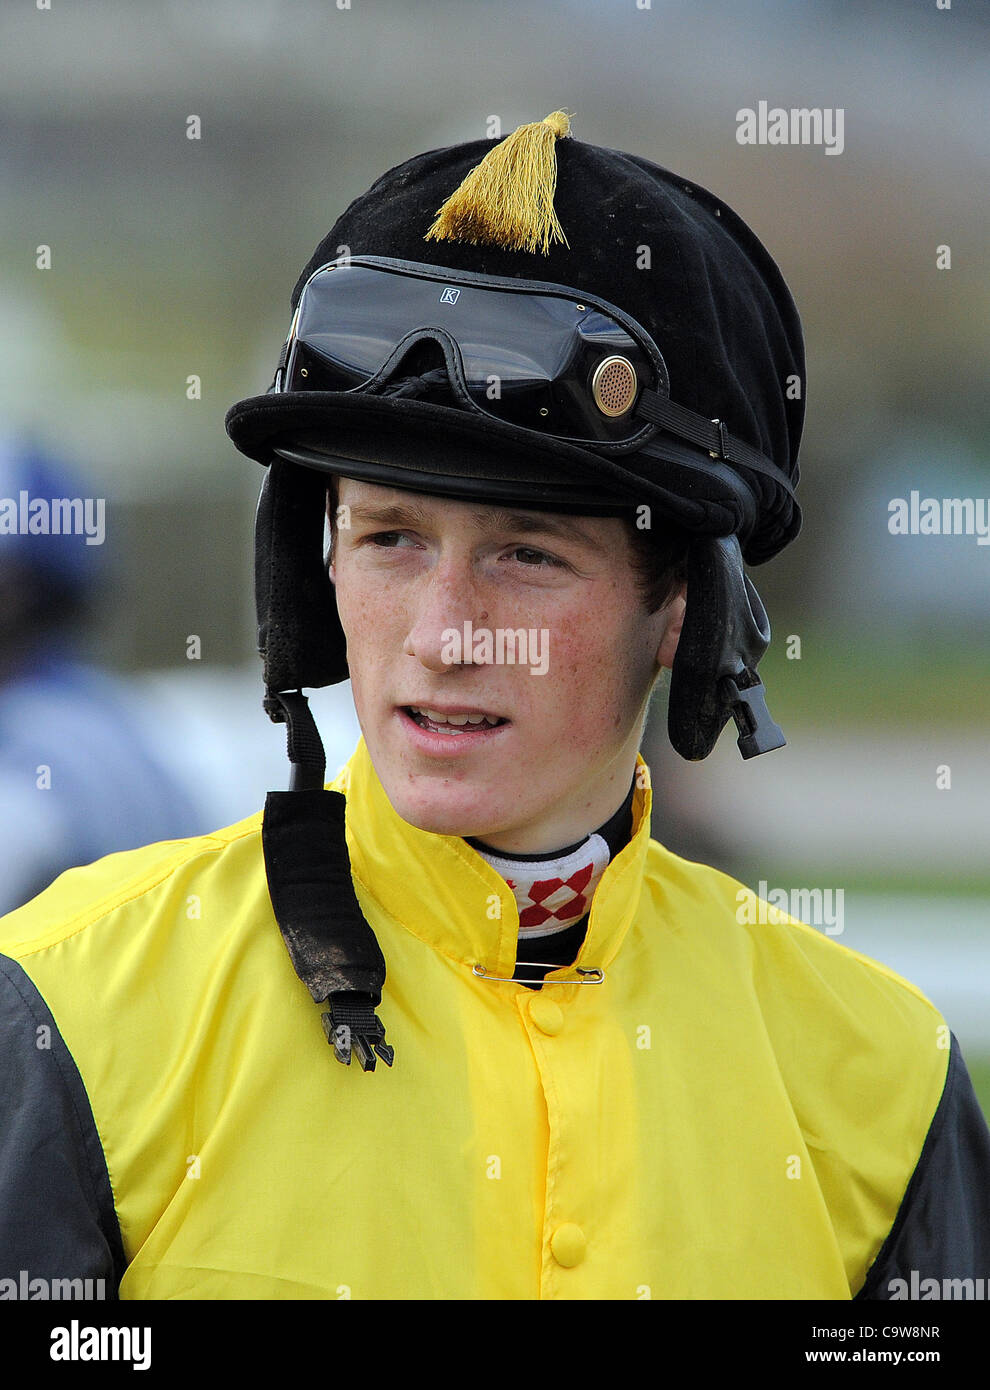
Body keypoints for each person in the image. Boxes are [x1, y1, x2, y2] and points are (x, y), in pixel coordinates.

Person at [1, 112, 988, 1302]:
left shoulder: (885, 1079)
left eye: (528, 555)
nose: (441, 633)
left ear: (685, 611)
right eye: (389, 538)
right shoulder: (65, 1008)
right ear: (314, 573)